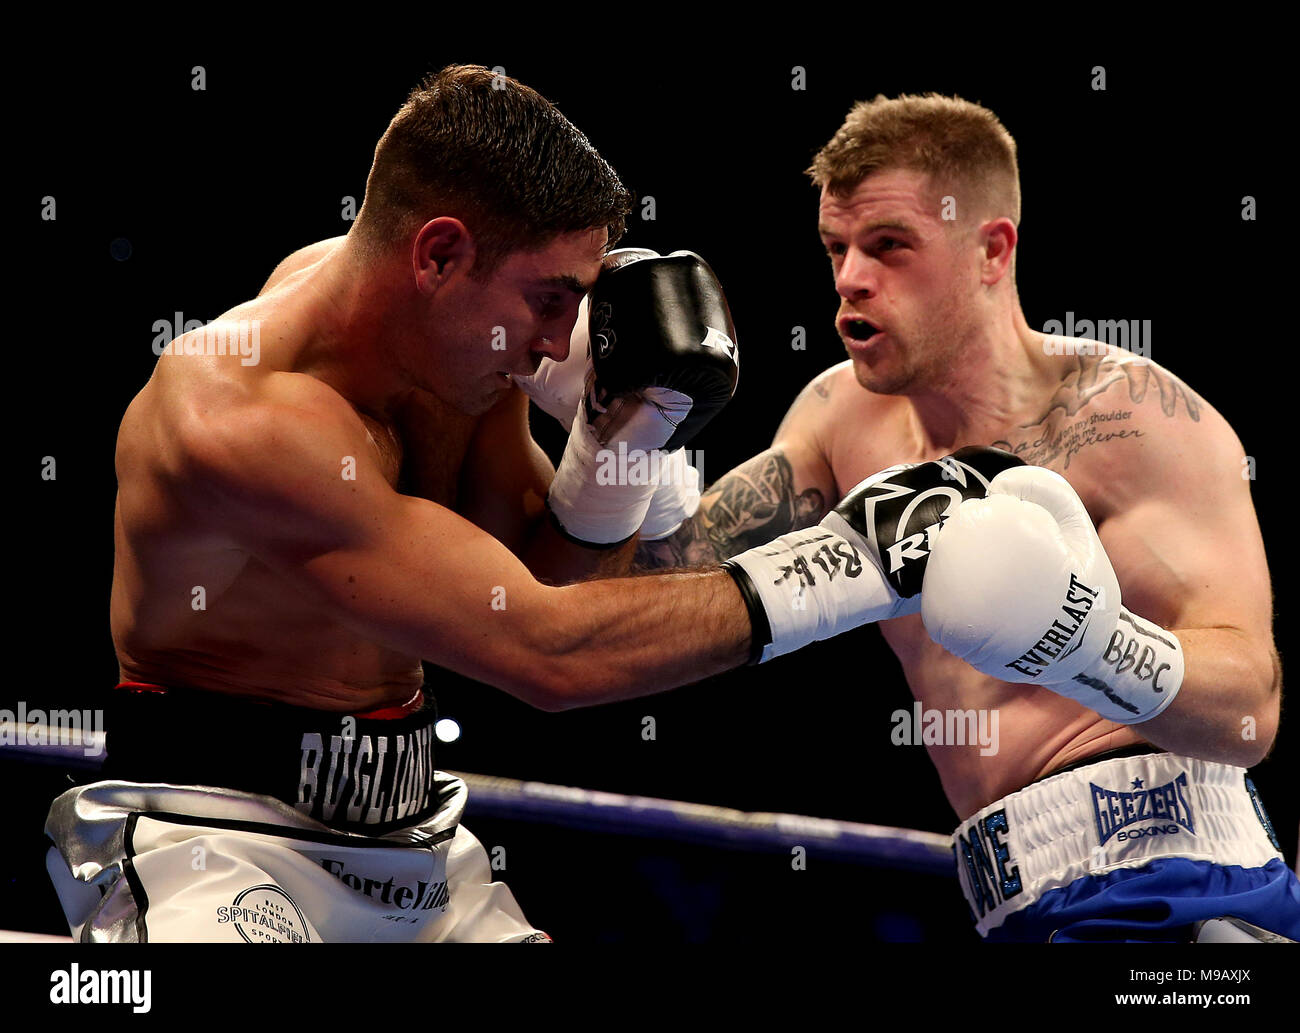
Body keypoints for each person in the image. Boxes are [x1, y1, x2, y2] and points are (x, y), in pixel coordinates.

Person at [43, 67, 1012, 943]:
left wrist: (616, 442)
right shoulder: (240, 421)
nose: (562, 341)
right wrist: (851, 566)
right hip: (217, 837)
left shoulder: (447, 349)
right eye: (551, 297)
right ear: (437, 256)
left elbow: (548, 580)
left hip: (417, 844)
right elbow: (545, 652)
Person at [637, 93, 1298, 943]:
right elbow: (650, 593)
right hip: (1010, 896)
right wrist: (618, 437)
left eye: (888, 247)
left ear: (992, 249)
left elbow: (1252, 710)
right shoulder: (838, 420)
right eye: (835, 249)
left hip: (1182, 878)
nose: (849, 279)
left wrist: (1089, 644)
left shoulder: (1136, 417)